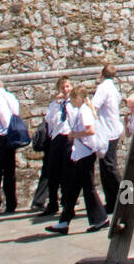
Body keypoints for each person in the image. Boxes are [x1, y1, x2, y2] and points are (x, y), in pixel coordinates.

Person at [45, 86, 108, 234]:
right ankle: (64, 222)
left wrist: (74, 134)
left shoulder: (84, 111)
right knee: (73, 189)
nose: (72, 101)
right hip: (80, 153)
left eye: (73, 98)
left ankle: (100, 219)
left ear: (79, 98)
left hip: (85, 153)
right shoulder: (81, 110)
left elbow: (90, 130)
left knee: (88, 188)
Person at [39, 76, 74, 217]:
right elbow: (49, 119)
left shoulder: (74, 103)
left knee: (67, 172)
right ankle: (52, 203)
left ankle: (67, 203)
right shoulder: (55, 104)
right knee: (53, 172)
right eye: (63, 87)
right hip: (57, 137)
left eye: (67, 86)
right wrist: (57, 103)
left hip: (69, 137)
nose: (65, 89)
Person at [92, 64, 123, 214]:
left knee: (110, 167)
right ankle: (111, 202)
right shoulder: (113, 88)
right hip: (112, 130)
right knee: (105, 167)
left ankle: (126, 198)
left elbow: (94, 106)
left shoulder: (103, 88)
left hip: (107, 132)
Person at [0, 76, 20, 214]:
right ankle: (11, 204)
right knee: (9, 172)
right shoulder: (10, 97)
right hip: (11, 136)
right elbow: (16, 112)